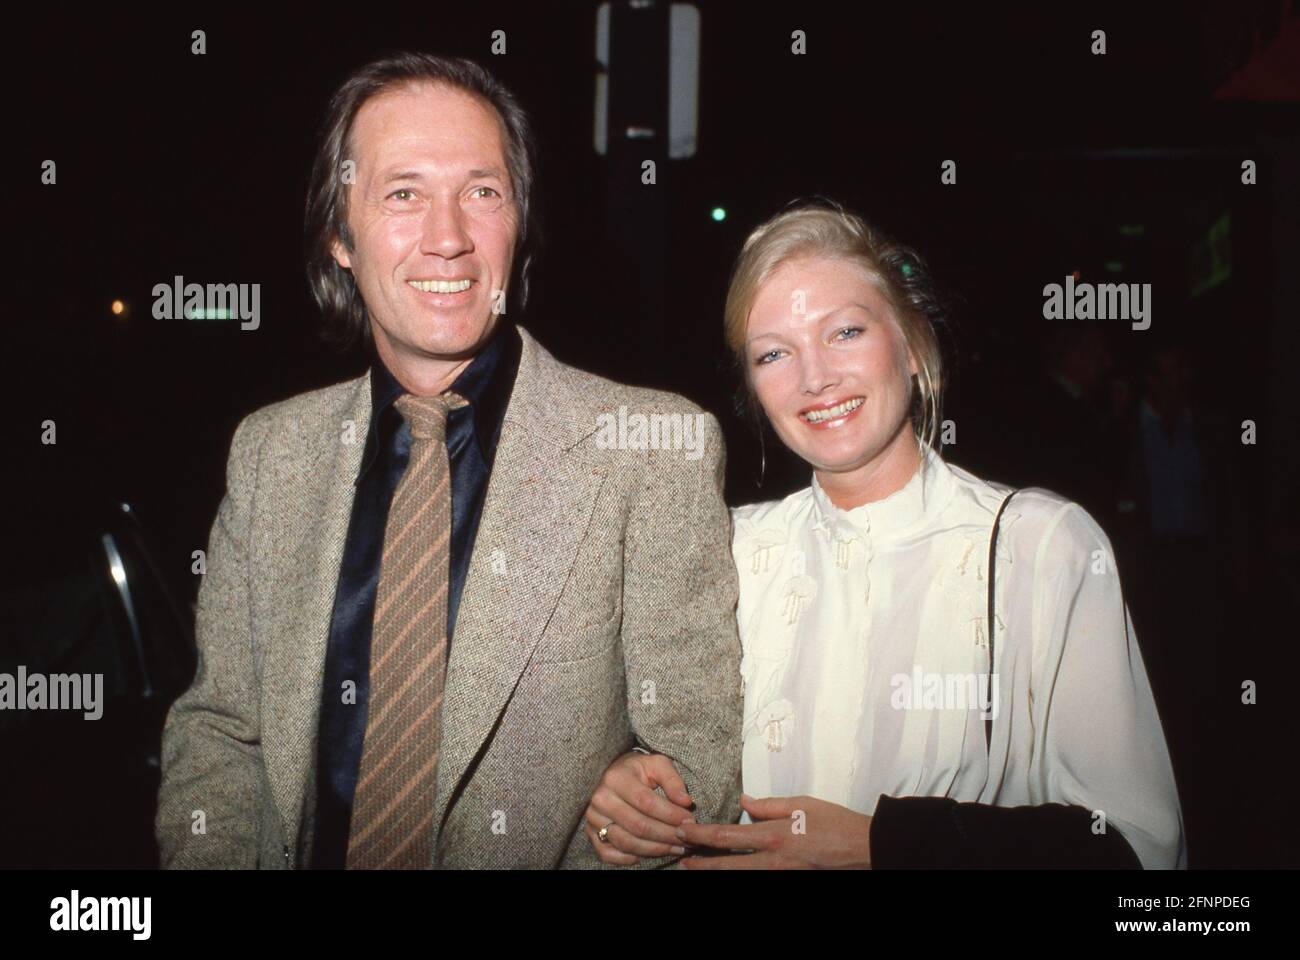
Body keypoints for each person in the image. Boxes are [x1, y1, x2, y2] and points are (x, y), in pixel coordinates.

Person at [154, 52, 742, 869]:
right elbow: (221, 728)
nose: (448, 238)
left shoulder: (651, 448)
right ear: (339, 238)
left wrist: (637, 805)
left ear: (518, 221)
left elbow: (695, 770)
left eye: (481, 192)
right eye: (403, 194)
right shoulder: (269, 454)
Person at [583, 201, 1185, 869]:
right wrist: (618, 789)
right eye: (774, 353)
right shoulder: (721, 551)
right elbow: (647, 762)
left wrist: (886, 848)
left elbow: (1138, 848)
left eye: (844, 332)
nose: (815, 378)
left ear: (913, 344)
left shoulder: (1043, 547)